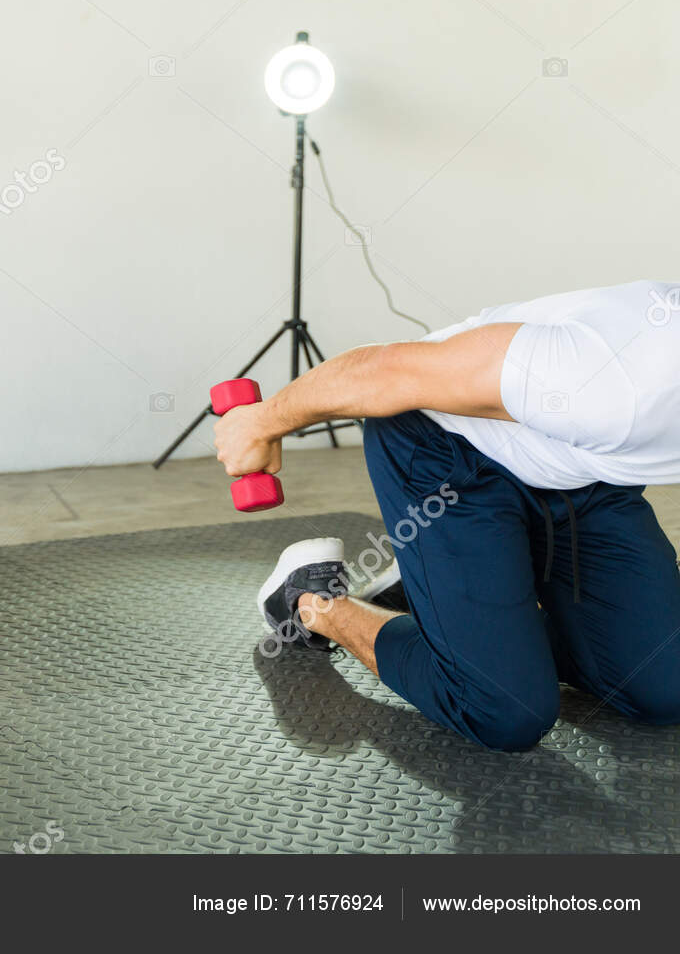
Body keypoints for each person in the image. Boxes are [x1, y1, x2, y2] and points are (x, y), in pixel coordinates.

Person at [225, 280, 680, 751]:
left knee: (664, 688)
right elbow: (385, 370)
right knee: (506, 712)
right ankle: (309, 601)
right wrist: (261, 421)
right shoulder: (621, 377)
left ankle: (441, 600)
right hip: (449, 457)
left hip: (583, 478)